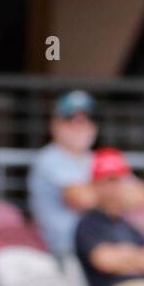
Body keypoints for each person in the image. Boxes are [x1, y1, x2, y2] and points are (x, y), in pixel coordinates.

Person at [75, 149, 144, 286]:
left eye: (118, 180)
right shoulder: (88, 223)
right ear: (95, 185)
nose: (114, 188)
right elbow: (104, 260)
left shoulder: (129, 224)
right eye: (108, 181)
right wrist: (142, 259)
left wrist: (127, 257)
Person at [28, 90, 99, 258]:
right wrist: (113, 193)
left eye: (86, 118)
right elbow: (81, 199)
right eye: (70, 119)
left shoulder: (97, 158)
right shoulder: (48, 158)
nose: (80, 124)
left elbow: (143, 196)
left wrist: (96, 192)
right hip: (63, 250)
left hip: (100, 246)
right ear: (55, 124)